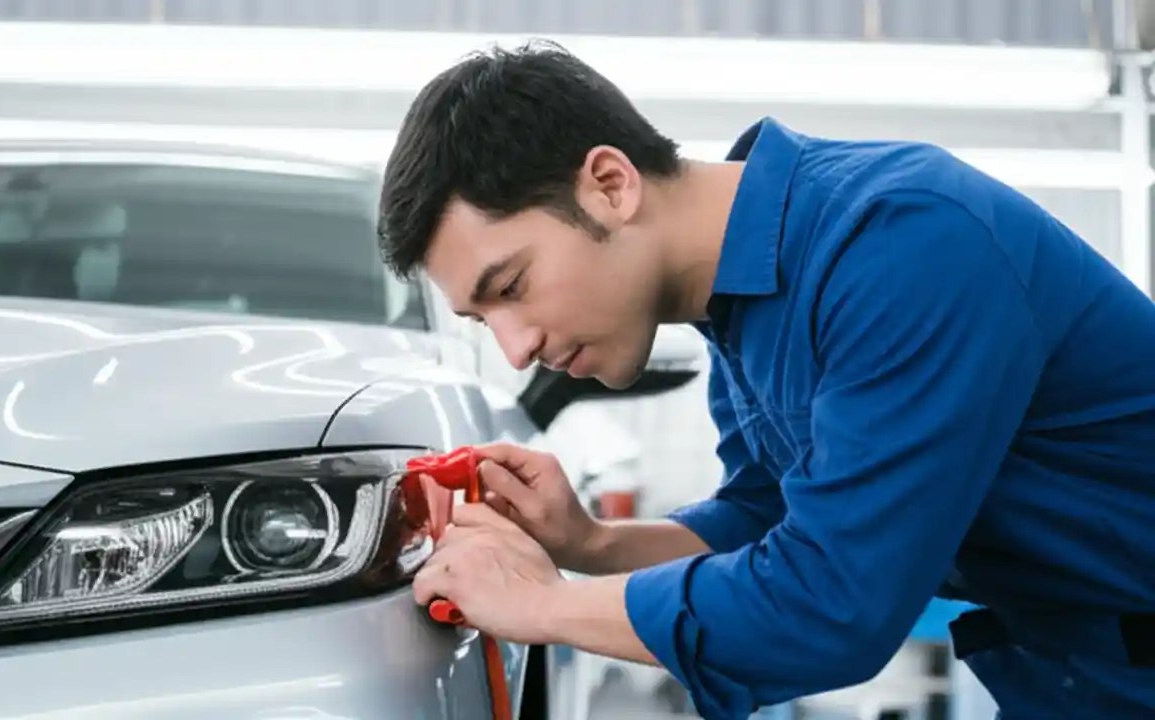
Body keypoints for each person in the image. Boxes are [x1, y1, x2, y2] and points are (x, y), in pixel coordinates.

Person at [376, 40, 1155, 719]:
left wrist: (544, 606)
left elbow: (831, 604)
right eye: (483, 322)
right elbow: (766, 518)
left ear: (609, 185)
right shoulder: (737, 303)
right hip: (1078, 681)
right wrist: (592, 543)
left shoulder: (900, 245)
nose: (515, 349)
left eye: (511, 287)